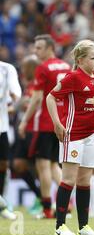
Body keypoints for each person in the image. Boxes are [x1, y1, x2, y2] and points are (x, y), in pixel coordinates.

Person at [46, 39, 94, 235]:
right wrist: (56, 122)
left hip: (92, 136)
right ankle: (60, 226)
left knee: (85, 180)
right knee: (68, 179)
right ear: (80, 60)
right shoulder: (73, 77)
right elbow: (51, 97)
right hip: (73, 134)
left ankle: (83, 226)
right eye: (92, 58)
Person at [18, 34, 71, 219]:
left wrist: (25, 120)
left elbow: (38, 97)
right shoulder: (65, 66)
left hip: (46, 122)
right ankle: (67, 203)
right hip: (62, 121)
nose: (35, 51)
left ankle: (47, 209)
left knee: (43, 166)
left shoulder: (43, 68)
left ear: (50, 48)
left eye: (39, 47)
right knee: (54, 164)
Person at [12, 55, 43, 215]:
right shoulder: (29, 85)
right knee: (17, 165)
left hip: (34, 130)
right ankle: (40, 196)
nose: (22, 71)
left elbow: (31, 105)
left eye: (25, 68)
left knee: (39, 167)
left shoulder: (38, 85)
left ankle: (45, 200)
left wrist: (20, 105)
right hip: (23, 131)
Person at [0, 60, 22, 220]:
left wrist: (16, 96)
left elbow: (16, 92)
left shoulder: (7, 68)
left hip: (2, 127)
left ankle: (1, 206)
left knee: (3, 165)